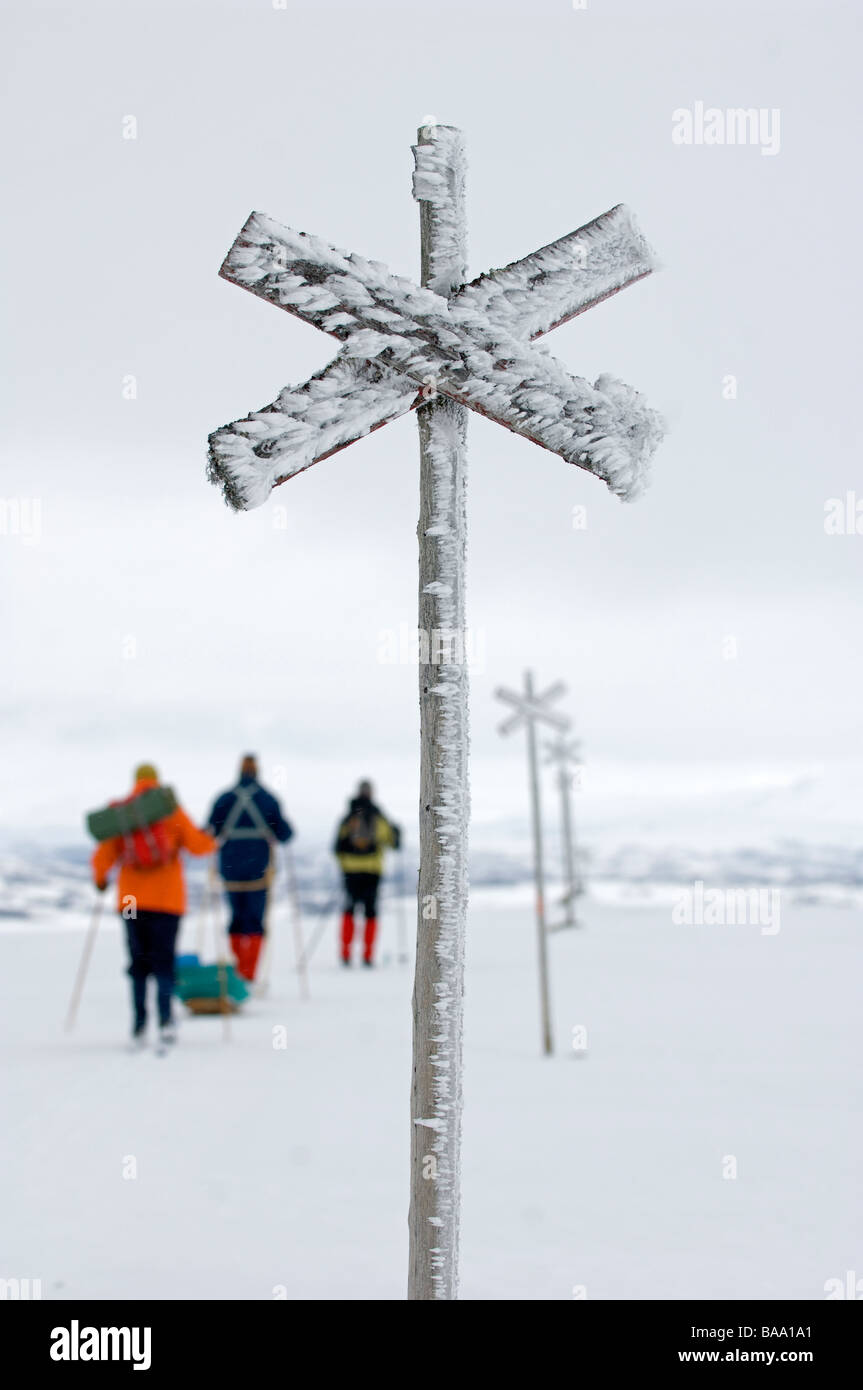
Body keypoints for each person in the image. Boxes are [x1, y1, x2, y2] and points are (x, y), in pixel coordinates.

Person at [91, 763, 216, 1047]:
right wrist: (210, 839)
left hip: (132, 900)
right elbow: (198, 846)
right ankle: (166, 1021)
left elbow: (103, 855)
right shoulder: (170, 810)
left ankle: (138, 1023)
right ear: (156, 781)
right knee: (164, 960)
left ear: (135, 781)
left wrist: (100, 880)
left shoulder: (122, 815)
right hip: (167, 900)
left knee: (138, 959)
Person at [207, 755, 293, 983]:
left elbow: (210, 830)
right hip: (259, 869)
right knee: (255, 919)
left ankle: (238, 969)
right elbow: (284, 834)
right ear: (257, 772)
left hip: (231, 867)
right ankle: (249, 972)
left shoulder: (225, 799)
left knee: (236, 918)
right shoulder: (267, 799)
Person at [333, 780, 400, 967]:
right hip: (372, 871)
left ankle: (345, 954)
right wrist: (397, 833)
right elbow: (393, 842)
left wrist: (346, 864)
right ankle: (368, 956)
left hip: (350, 872)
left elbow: (337, 847)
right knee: (370, 912)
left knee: (349, 910)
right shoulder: (378, 817)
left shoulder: (348, 817)